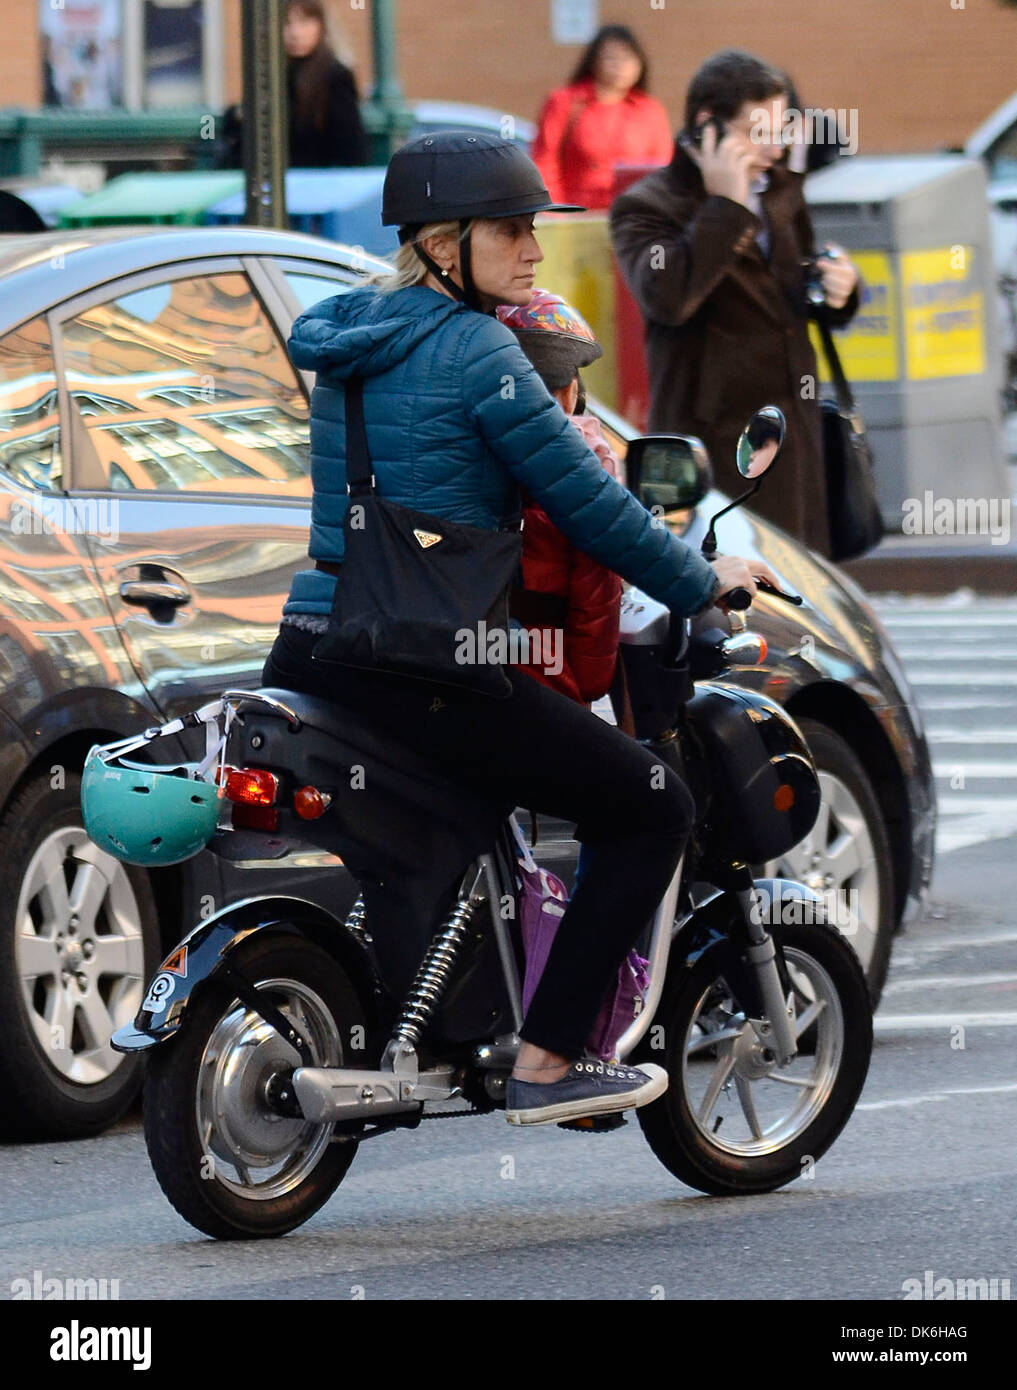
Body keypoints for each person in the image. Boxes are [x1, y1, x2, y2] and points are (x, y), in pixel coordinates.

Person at [261, 130, 780, 1126]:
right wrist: (697, 578)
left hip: (319, 640)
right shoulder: (479, 349)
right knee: (651, 804)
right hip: (428, 657)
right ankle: (548, 1056)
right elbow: (586, 500)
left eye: (534, 226)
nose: (535, 249)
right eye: (512, 229)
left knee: (458, 814)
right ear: (447, 241)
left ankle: (451, 1013)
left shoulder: (349, 338)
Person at [609, 49, 861, 556]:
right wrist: (725, 206)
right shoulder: (648, 206)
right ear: (708, 125)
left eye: (783, 126)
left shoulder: (780, 191)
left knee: (804, 596)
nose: (777, 144)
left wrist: (840, 289)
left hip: (797, 433)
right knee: (733, 599)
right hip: (717, 445)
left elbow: (791, 296)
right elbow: (669, 298)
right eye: (758, 130)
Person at [496, 288, 624, 706]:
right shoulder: (586, 471)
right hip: (543, 683)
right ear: (571, 393)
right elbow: (593, 656)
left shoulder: (452, 455)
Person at [532, 24, 673, 212]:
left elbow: (661, 168)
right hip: (577, 214)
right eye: (612, 57)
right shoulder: (565, 102)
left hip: (631, 216)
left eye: (628, 58)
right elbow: (545, 161)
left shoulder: (649, 110)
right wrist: (555, 211)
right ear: (593, 62)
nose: (620, 65)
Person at [283, 0, 369, 168]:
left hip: (321, 180)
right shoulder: (272, 75)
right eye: (287, 23)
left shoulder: (335, 76)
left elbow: (350, 145)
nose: (295, 33)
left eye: (305, 22)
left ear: (321, 25)